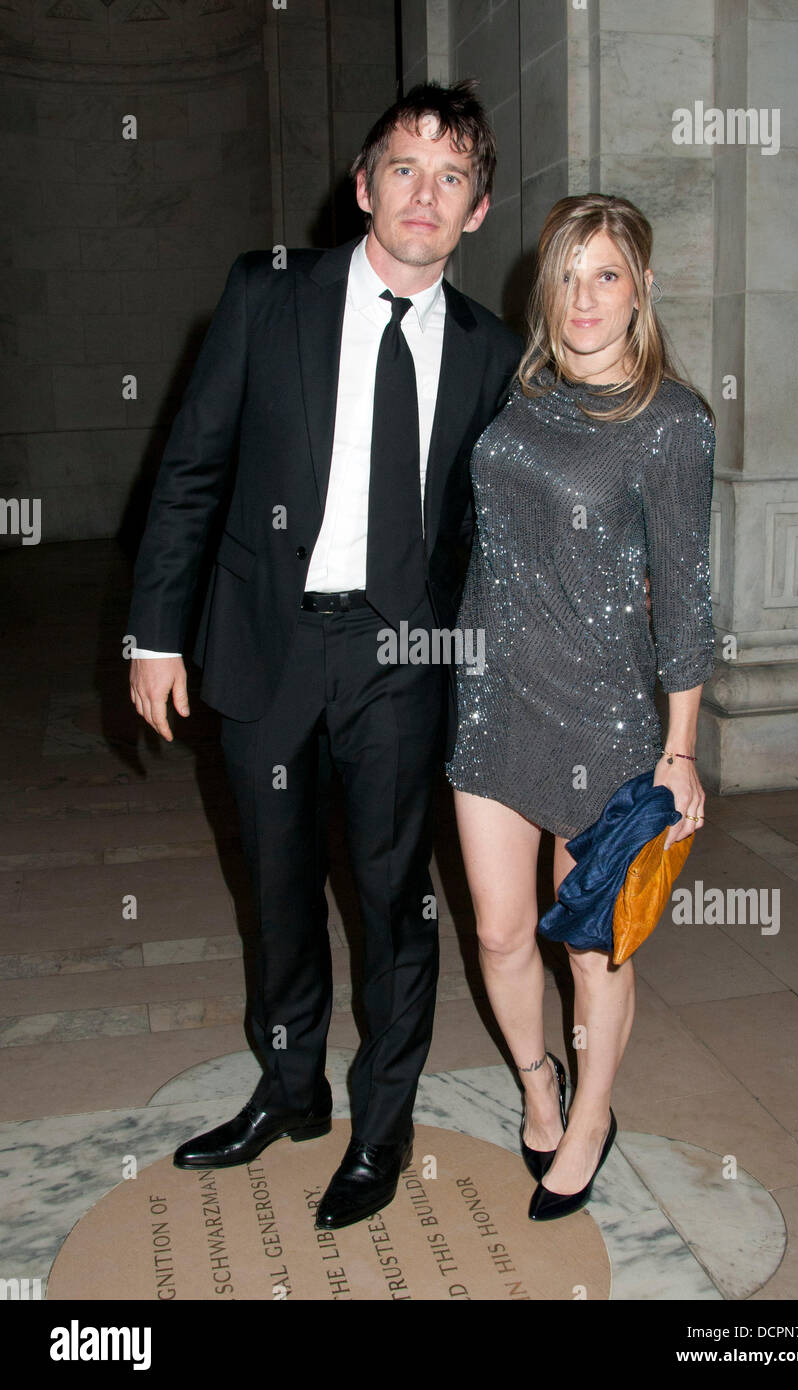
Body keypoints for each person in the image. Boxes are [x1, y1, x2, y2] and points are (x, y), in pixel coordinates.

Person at [127, 80, 522, 1231]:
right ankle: (287, 1086)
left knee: (397, 907)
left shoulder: (493, 354)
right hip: (267, 640)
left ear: (477, 211)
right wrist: (155, 634)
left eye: (452, 178)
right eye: (404, 167)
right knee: (282, 890)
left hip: (403, 661)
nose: (424, 194)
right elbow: (190, 470)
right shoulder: (269, 295)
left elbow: (491, 533)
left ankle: (381, 1128)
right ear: (361, 185)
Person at [445, 193, 716, 1221]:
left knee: (593, 941)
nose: (586, 296)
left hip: (603, 716)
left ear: (642, 288)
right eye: (568, 273)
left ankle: (594, 1112)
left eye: (607, 274)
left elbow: (687, 591)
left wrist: (679, 749)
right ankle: (537, 1080)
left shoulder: (672, 422)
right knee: (501, 931)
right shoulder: (525, 400)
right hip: (493, 700)